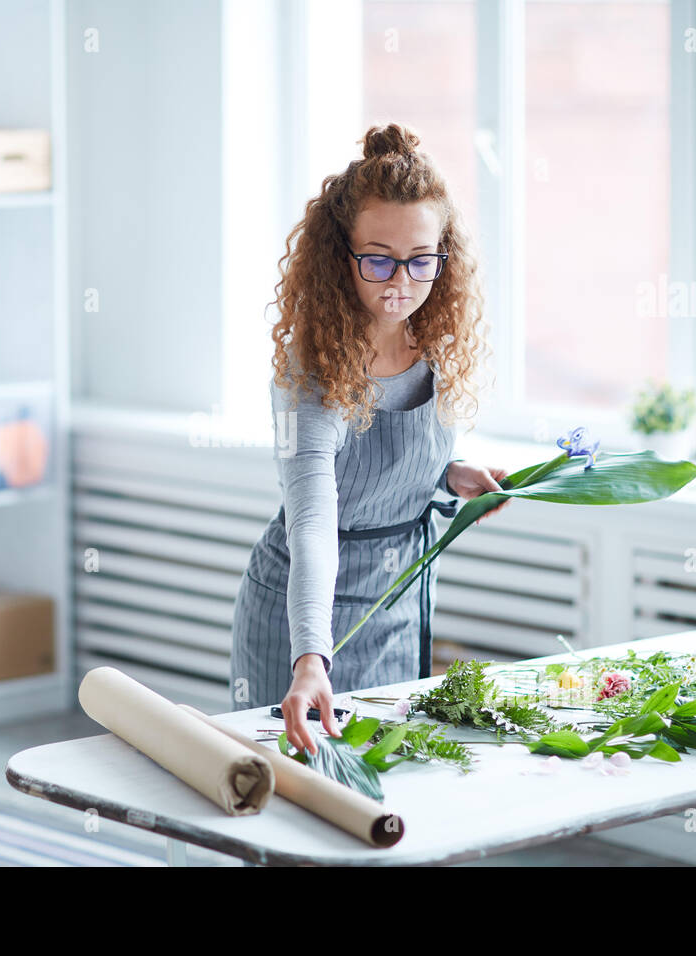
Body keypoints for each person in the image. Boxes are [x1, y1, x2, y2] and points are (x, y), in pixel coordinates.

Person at [229, 122, 512, 757]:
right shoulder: (312, 369)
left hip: (396, 603)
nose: (401, 282)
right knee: (288, 801)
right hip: (302, 613)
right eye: (378, 258)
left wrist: (452, 474)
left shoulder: (438, 345)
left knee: (382, 791)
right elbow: (312, 521)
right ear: (341, 255)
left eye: (421, 261)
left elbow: (399, 461)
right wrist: (310, 657)